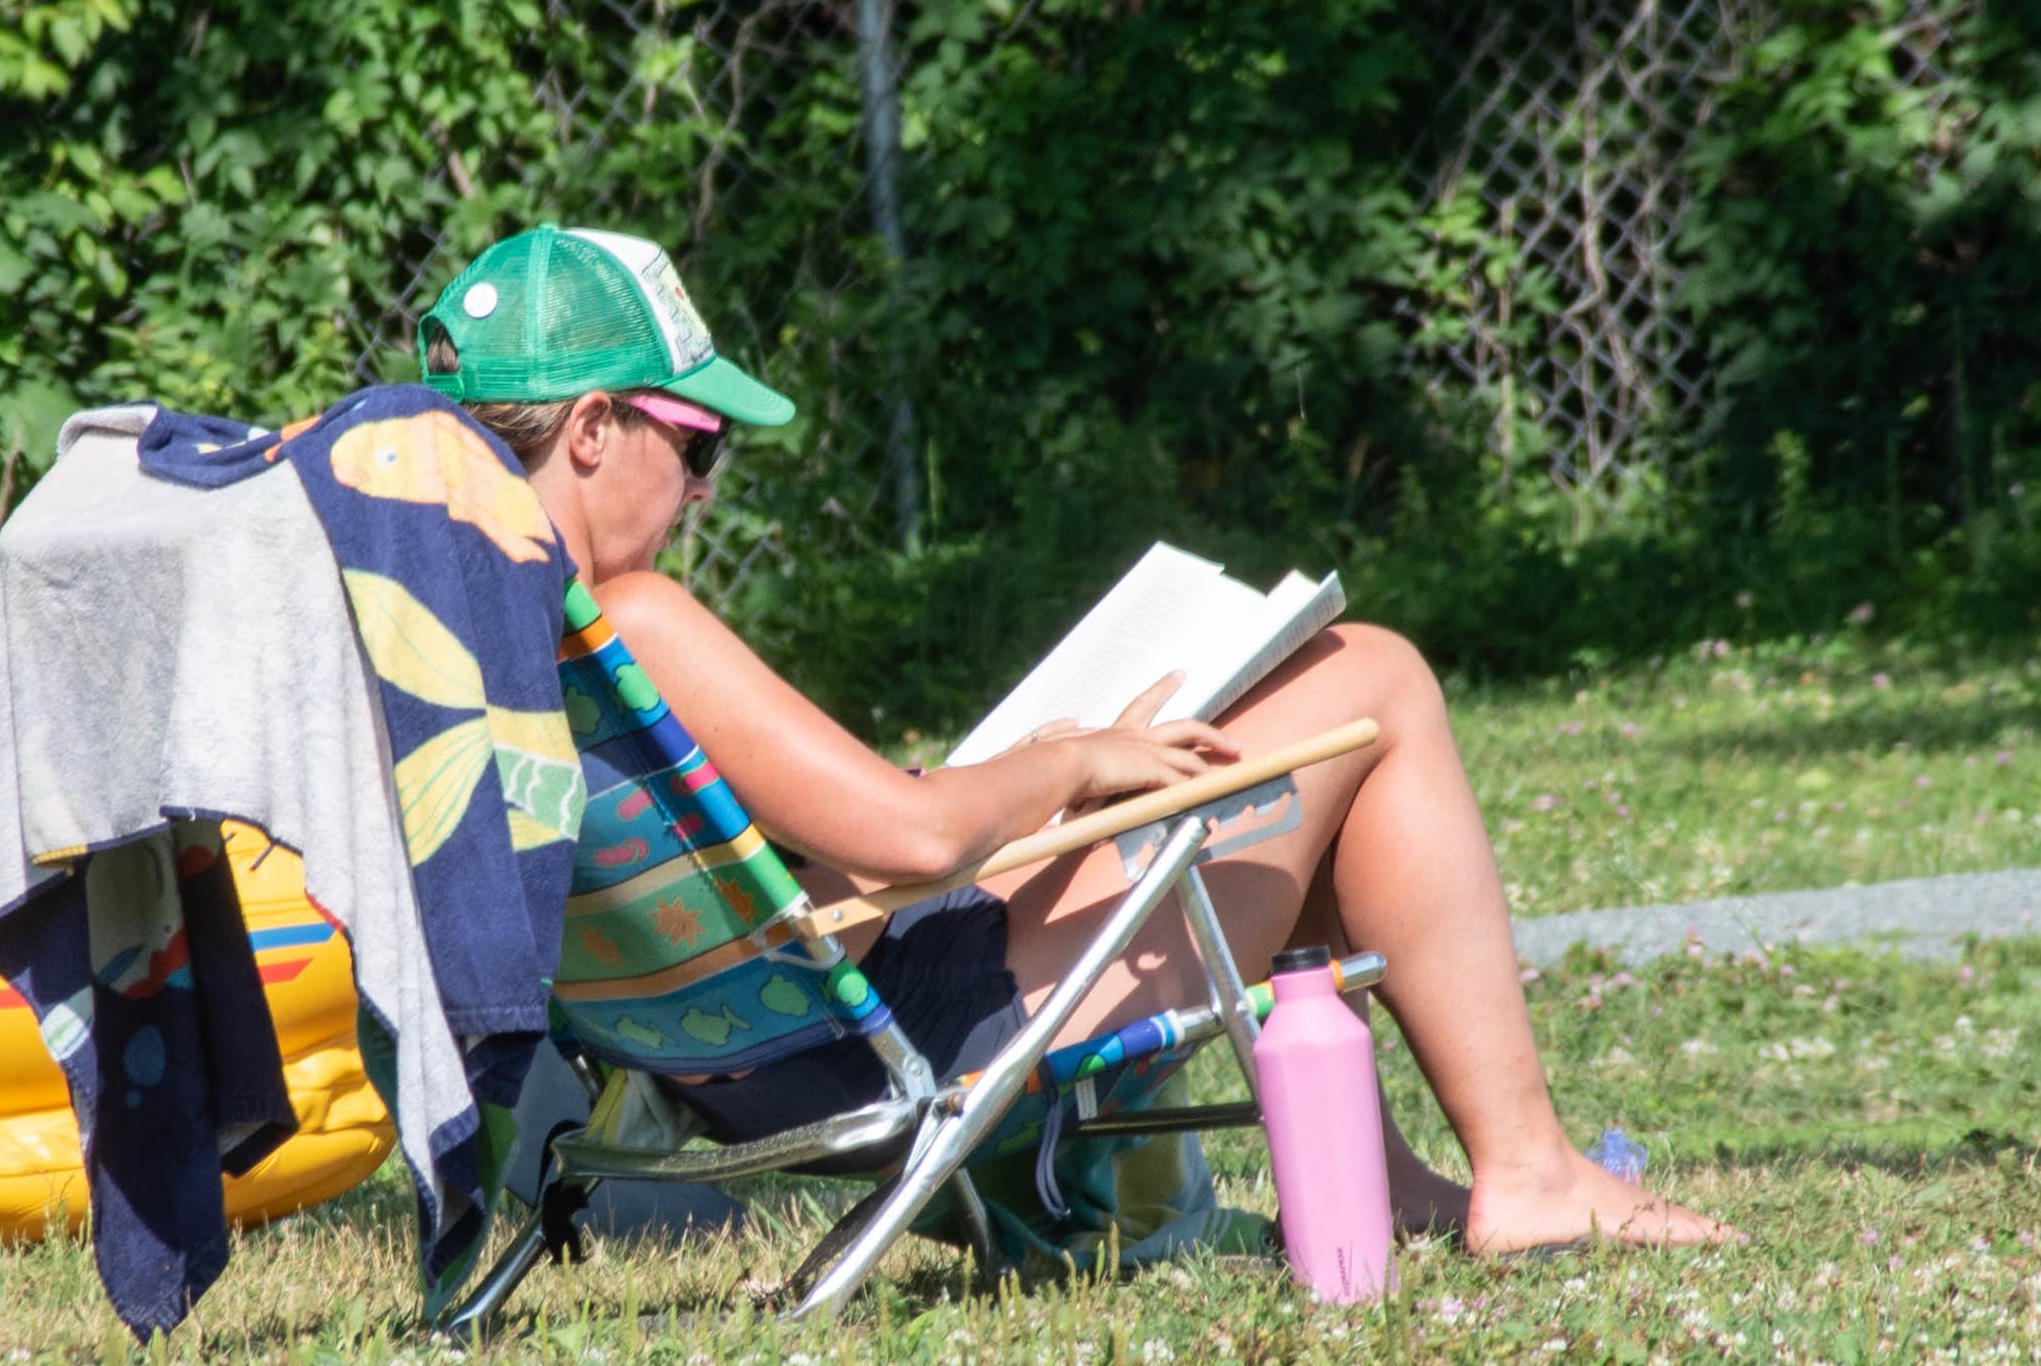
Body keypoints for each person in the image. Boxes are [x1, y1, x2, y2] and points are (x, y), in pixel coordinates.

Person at [421, 223, 1733, 1256]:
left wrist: (1021, 787)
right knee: (1368, 679)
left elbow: (768, 897)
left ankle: (1389, 1186)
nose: (704, 487)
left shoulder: (446, 636)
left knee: (1292, 754)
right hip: (916, 1045)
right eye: (696, 441)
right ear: (592, 430)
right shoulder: (629, 620)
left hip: (742, 1057)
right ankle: (1534, 1176)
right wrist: (1072, 765)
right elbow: (918, 838)